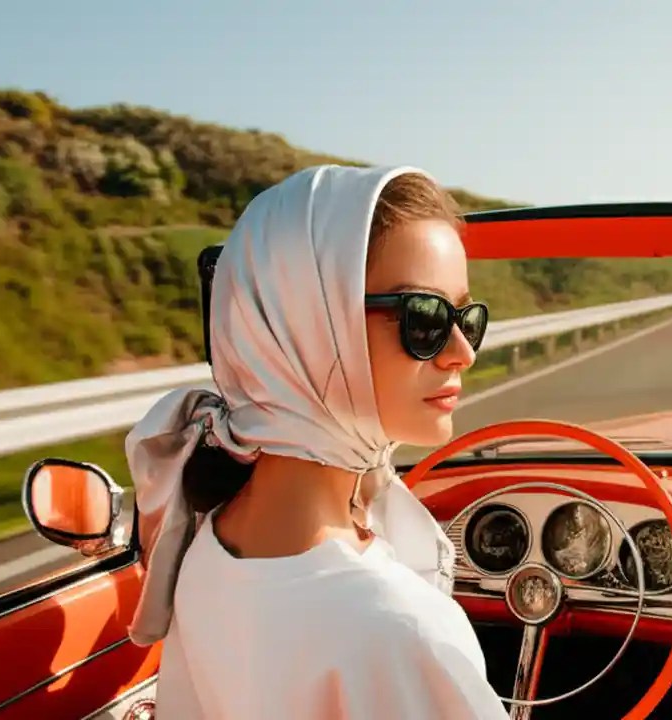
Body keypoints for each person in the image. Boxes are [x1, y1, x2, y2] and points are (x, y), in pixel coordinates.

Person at [123, 164, 509, 719]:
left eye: (466, 318)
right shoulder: (399, 631)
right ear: (307, 329)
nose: (462, 352)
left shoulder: (206, 548)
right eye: (423, 317)